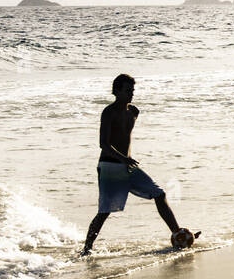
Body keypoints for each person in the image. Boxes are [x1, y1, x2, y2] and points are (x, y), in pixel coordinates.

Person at [82, 73, 196, 255]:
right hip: (110, 166)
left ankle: (177, 233)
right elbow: (103, 143)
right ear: (116, 91)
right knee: (105, 212)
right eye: (127, 90)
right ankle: (86, 249)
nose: (131, 94)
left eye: (132, 90)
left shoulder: (133, 112)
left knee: (159, 194)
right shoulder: (109, 112)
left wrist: (127, 160)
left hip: (128, 166)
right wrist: (123, 158)